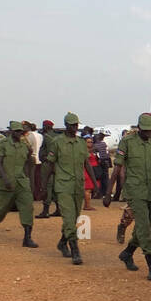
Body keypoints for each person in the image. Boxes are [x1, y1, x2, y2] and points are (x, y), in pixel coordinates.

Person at [107, 113, 151, 280]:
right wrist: (109, 193)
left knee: (145, 226)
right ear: (139, 128)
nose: (149, 133)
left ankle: (127, 253)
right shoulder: (127, 142)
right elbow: (117, 167)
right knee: (144, 227)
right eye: (146, 130)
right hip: (134, 191)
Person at [0, 121, 38, 246]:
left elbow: (27, 163)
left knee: (27, 208)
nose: (19, 133)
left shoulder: (24, 144)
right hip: (6, 181)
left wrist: (28, 179)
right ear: (11, 132)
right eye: (17, 131)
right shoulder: (3, 144)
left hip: (21, 181)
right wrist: (5, 178)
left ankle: (27, 237)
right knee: (0, 209)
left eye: (21, 131)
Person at [49, 112, 91, 265]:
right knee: (68, 218)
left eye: (76, 125)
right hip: (63, 186)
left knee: (73, 219)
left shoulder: (81, 143)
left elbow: (86, 163)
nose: (74, 127)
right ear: (66, 125)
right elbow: (49, 164)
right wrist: (44, 186)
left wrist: (94, 183)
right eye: (72, 125)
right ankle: (75, 250)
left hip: (78, 186)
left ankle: (62, 243)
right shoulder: (57, 142)